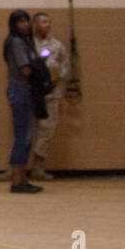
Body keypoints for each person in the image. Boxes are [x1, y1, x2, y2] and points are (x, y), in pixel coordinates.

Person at [3, 10, 45, 193]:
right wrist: (39, 68)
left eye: (26, 21)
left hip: (23, 91)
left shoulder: (24, 42)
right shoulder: (17, 42)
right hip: (21, 91)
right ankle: (17, 180)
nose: (25, 25)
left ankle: (21, 178)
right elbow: (25, 70)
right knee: (23, 137)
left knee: (26, 137)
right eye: (21, 22)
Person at [28, 11, 69, 181]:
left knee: (47, 130)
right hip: (31, 93)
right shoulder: (27, 44)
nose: (47, 25)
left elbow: (65, 68)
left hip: (50, 93)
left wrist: (55, 79)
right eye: (43, 22)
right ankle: (18, 168)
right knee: (26, 131)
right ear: (35, 24)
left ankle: (39, 166)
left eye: (49, 22)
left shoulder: (57, 46)